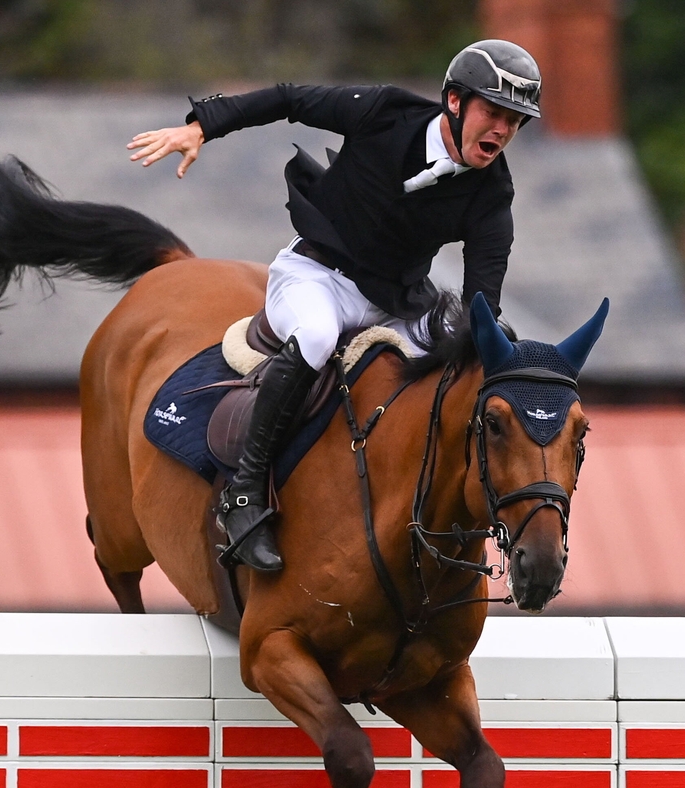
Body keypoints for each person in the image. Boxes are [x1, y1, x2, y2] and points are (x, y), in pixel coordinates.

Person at [127, 40, 542, 573]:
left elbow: (483, 299)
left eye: (515, 122)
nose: (503, 131)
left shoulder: (492, 194)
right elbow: (287, 99)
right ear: (455, 102)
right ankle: (244, 494)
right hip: (316, 275)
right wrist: (203, 125)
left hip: (396, 303)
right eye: (494, 113)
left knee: (452, 367)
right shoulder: (384, 111)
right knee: (319, 336)